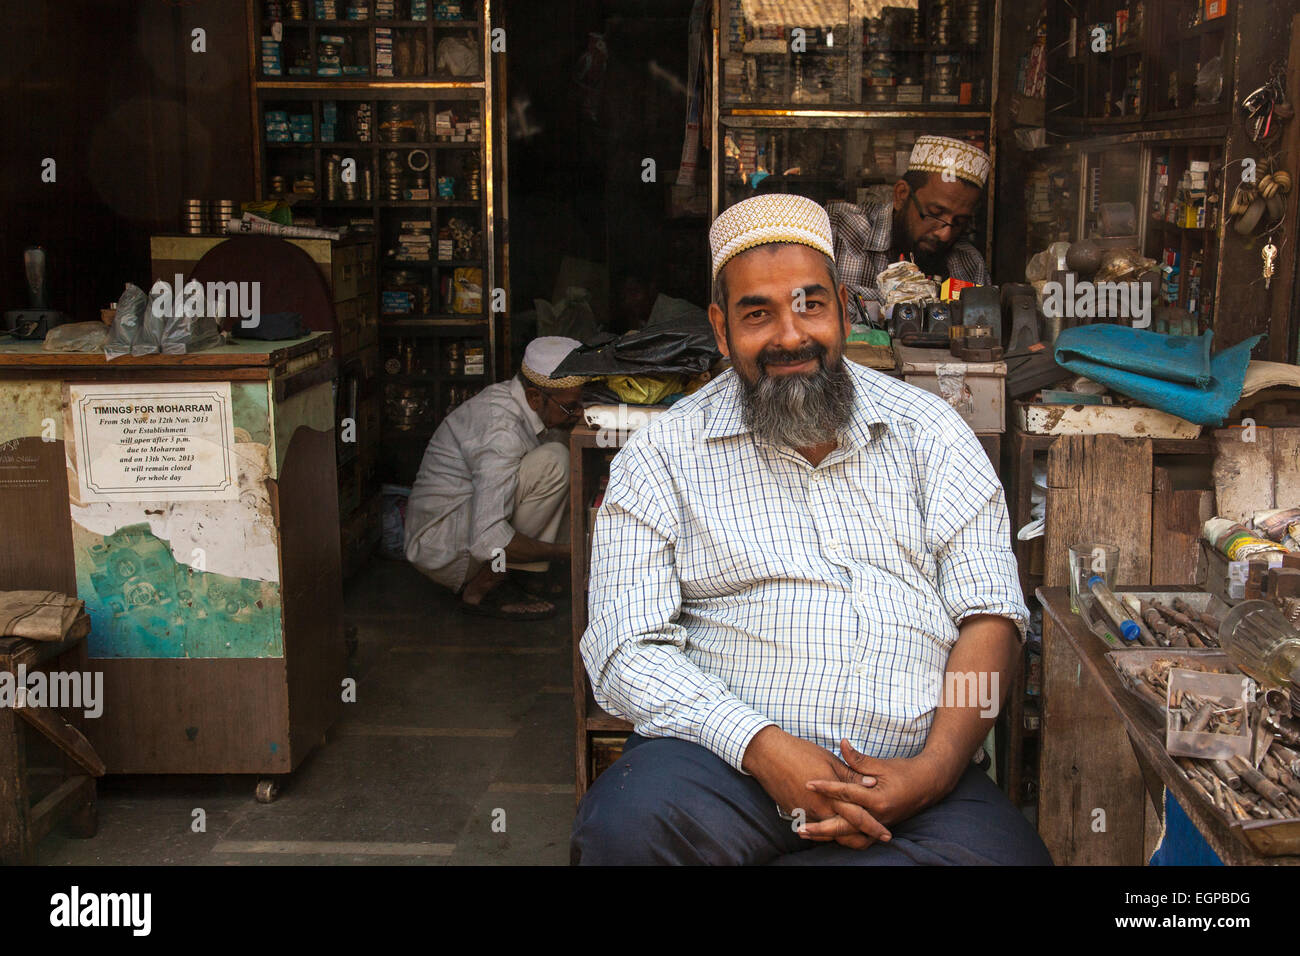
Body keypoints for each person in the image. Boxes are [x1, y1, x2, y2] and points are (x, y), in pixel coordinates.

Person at [571, 194, 1051, 865]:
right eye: (757, 314)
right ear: (719, 328)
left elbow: (991, 619)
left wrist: (934, 770)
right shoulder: (661, 455)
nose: (790, 336)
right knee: (627, 827)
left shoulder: (932, 433)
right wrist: (762, 747)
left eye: (810, 304)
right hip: (723, 773)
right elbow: (625, 649)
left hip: (913, 776)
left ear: (844, 311)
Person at [405, 336, 586, 620]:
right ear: (535, 397)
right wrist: (569, 553)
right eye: (570, 407)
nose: (577, 413)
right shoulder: (500, 430)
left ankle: (526, 576)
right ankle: (484, 588)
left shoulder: (524, 404)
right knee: (555, 462)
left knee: (564, 451)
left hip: (465, 524)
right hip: (443, 546)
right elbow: (487, 539)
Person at [827, 135, 993, 324]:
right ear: (902, 195)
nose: (945, 234)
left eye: (959, 222)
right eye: (934, 213)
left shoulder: (969, 265)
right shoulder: (837, 232)